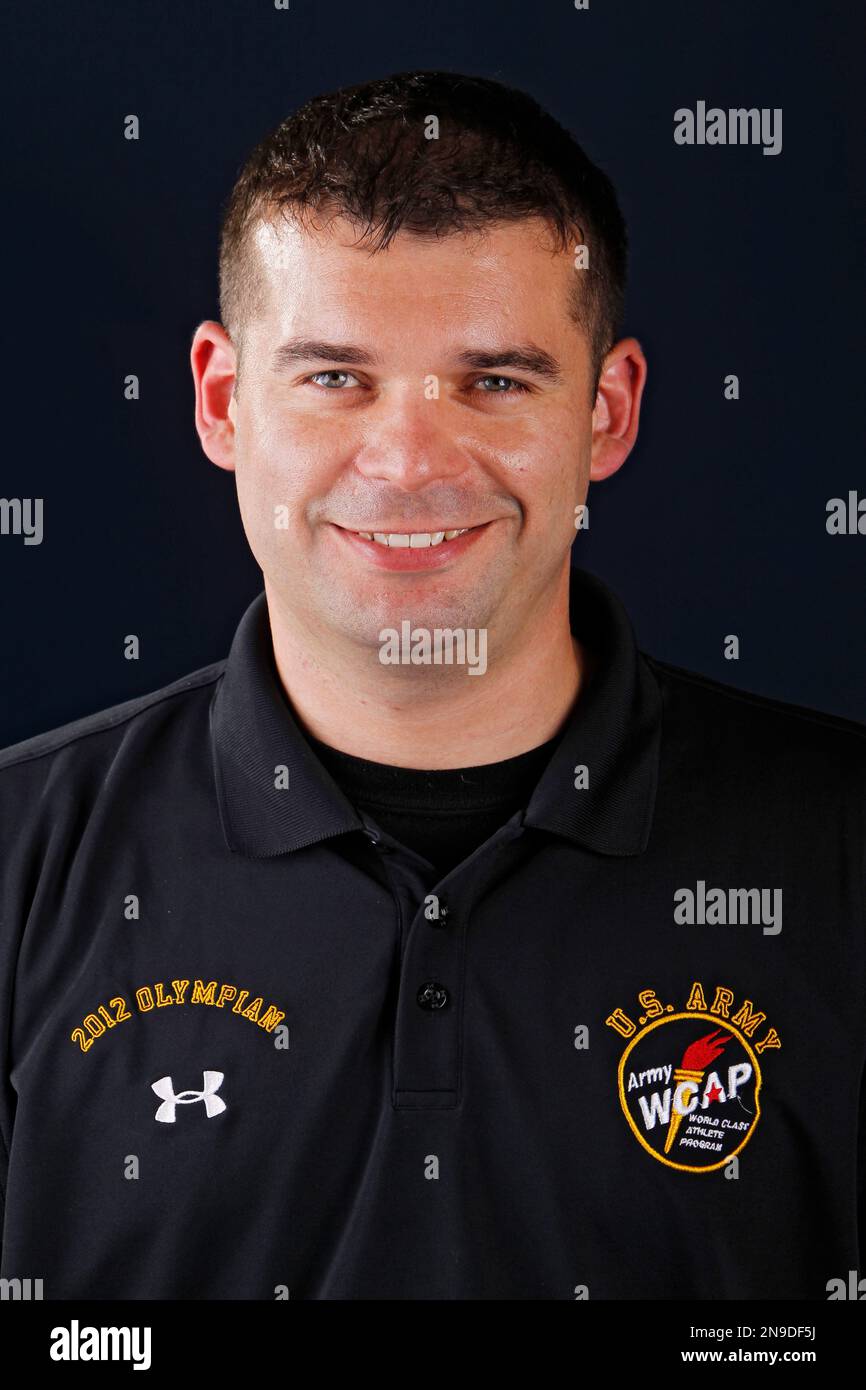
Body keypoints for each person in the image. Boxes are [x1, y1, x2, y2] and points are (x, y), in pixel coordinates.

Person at [0, 70, 863, 1301]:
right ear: (221, 399)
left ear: (606, 413)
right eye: (334, 378)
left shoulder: (840, 853)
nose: (408, 462)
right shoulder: (19, 861)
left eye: (493, 381)